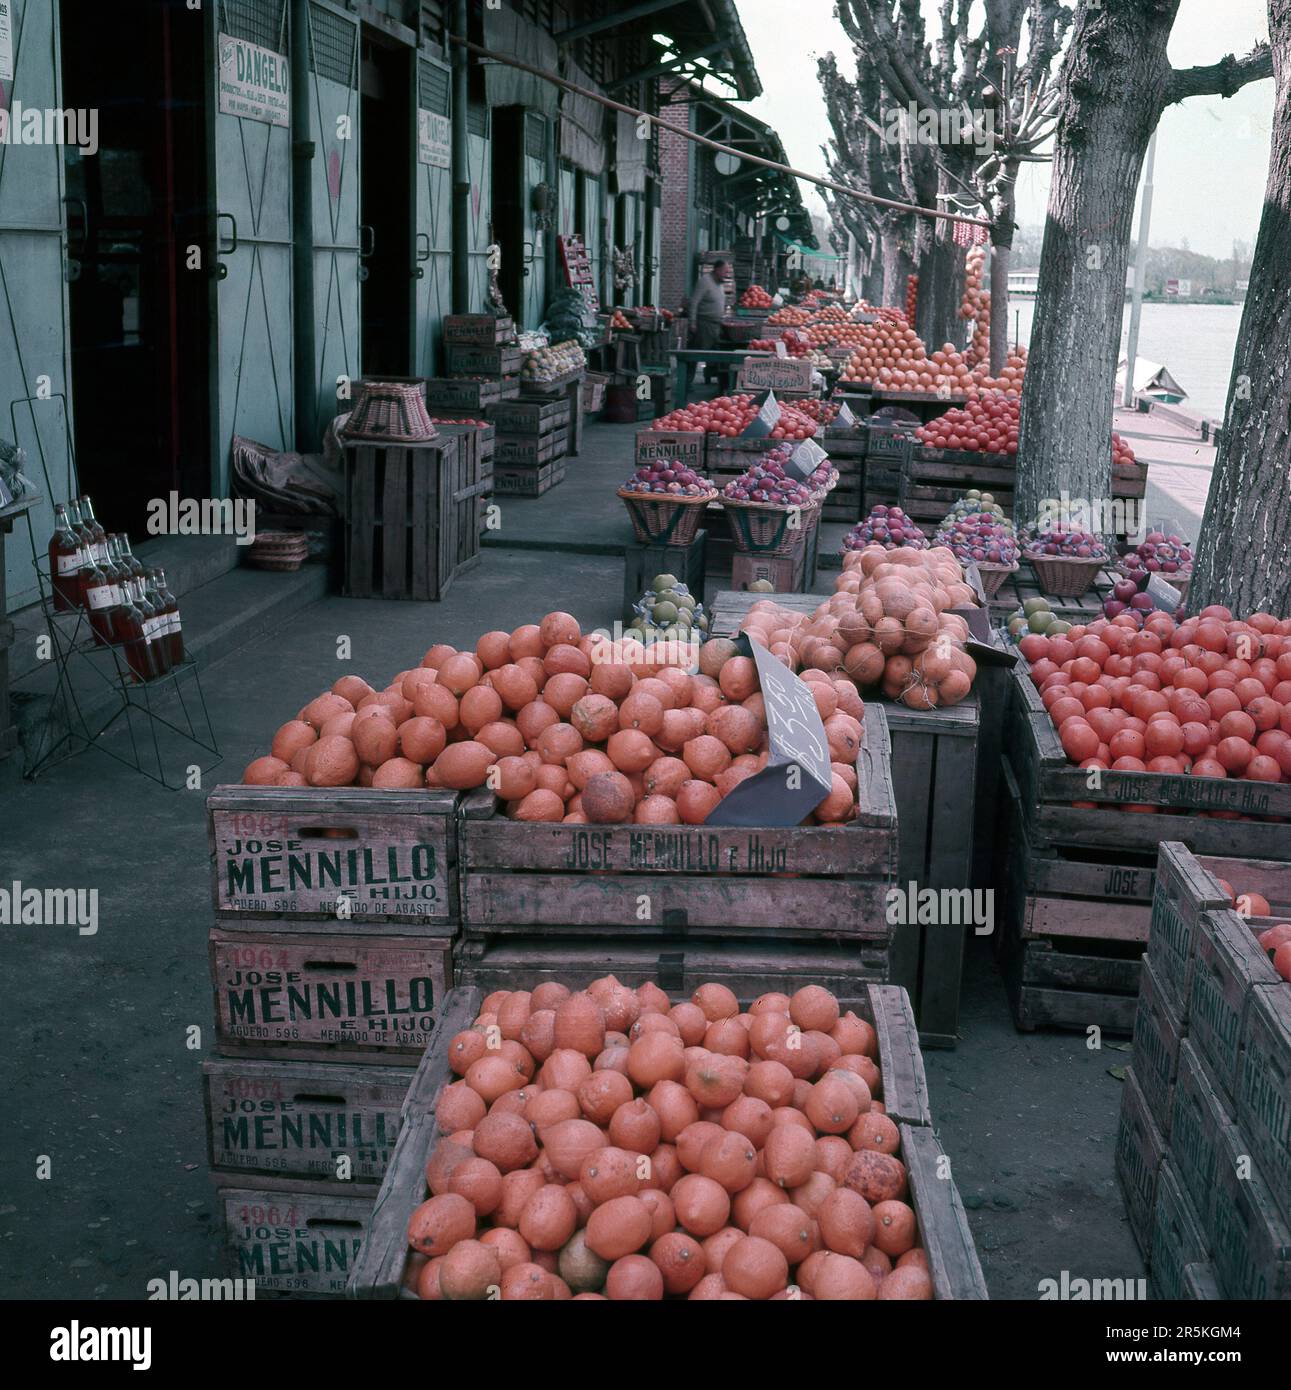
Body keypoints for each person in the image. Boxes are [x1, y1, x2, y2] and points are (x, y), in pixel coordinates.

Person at [685, 259, 729, 398]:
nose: (726, 274)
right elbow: (694, 302)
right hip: (703, 323)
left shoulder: (719, 284)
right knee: (695, 355)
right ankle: (686, 385)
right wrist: (692, 322)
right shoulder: (705, 281)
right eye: (724, 271)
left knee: (717, 356)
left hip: (716, 325)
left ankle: (720, 387)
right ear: (716, 269)